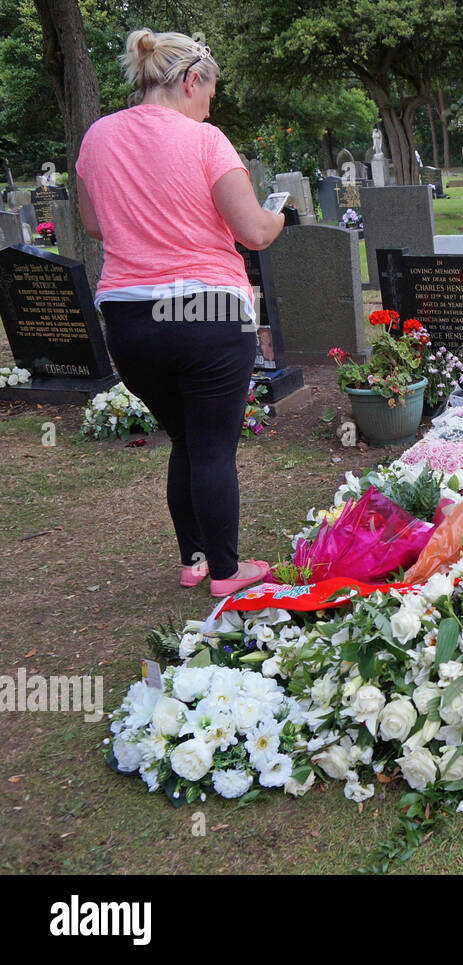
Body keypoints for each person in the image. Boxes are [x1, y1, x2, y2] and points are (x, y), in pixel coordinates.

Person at [76, 30, 285, 596]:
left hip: (128, 315)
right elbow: (253, 232)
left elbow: (95, 226)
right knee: (214, 446)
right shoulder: (206, 141)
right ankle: (224, 571)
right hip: (207, 308)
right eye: (209, 95)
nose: (208, 107)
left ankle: (194, 559)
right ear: (192, 80)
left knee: (186, 441)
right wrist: (279, 218)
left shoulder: (97, 138)